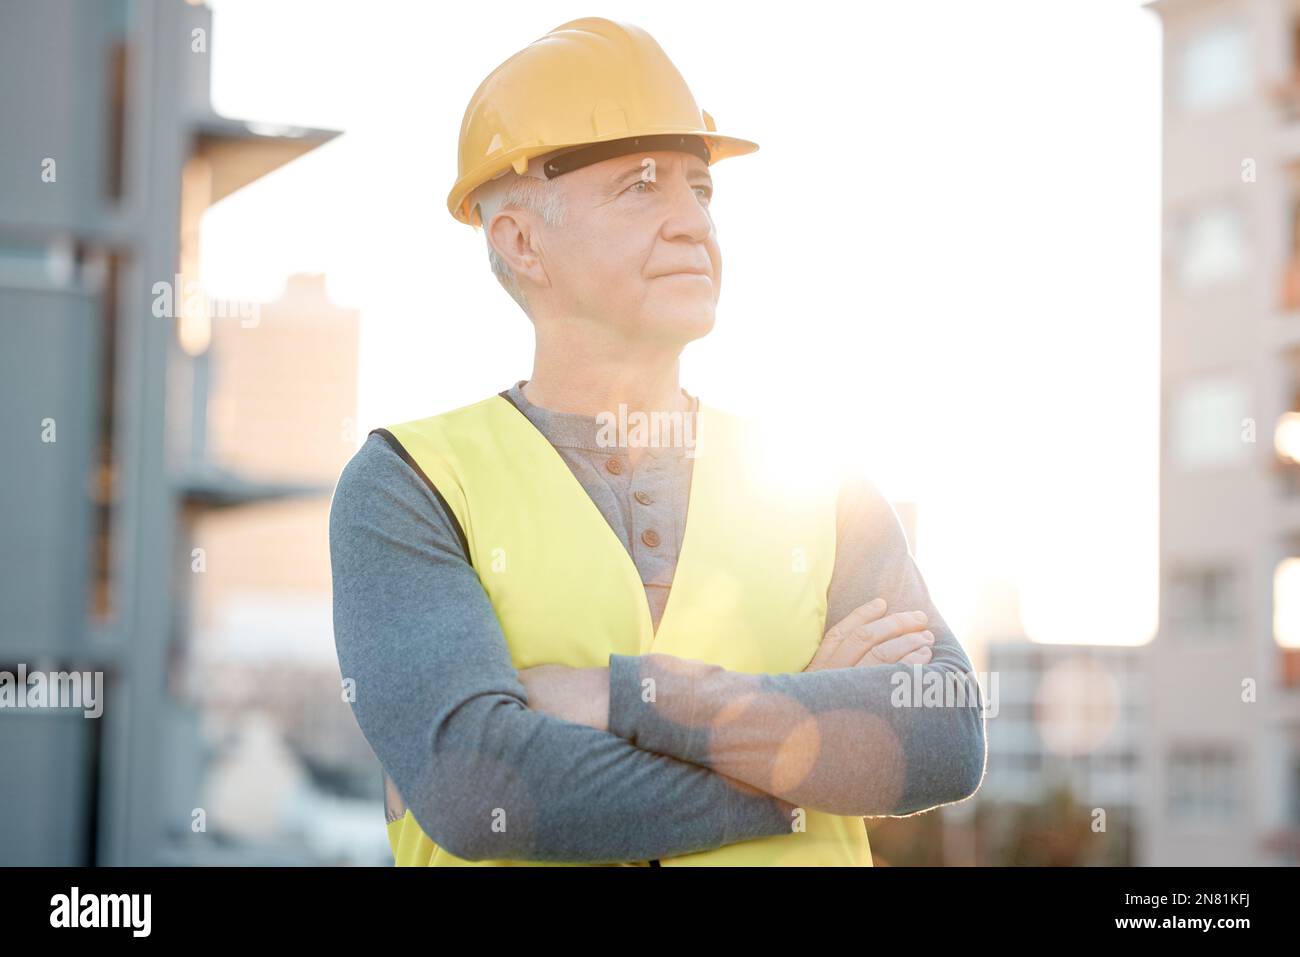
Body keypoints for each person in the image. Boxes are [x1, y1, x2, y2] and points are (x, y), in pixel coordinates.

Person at [329, 16, 985, 867]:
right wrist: (805, 764)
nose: (693, 223)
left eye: (701, 189)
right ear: (521, 241)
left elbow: (942, 733)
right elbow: (480, 787)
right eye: (641, 186)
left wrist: (623, 696)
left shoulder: (816, 483)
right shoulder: (411, 484)